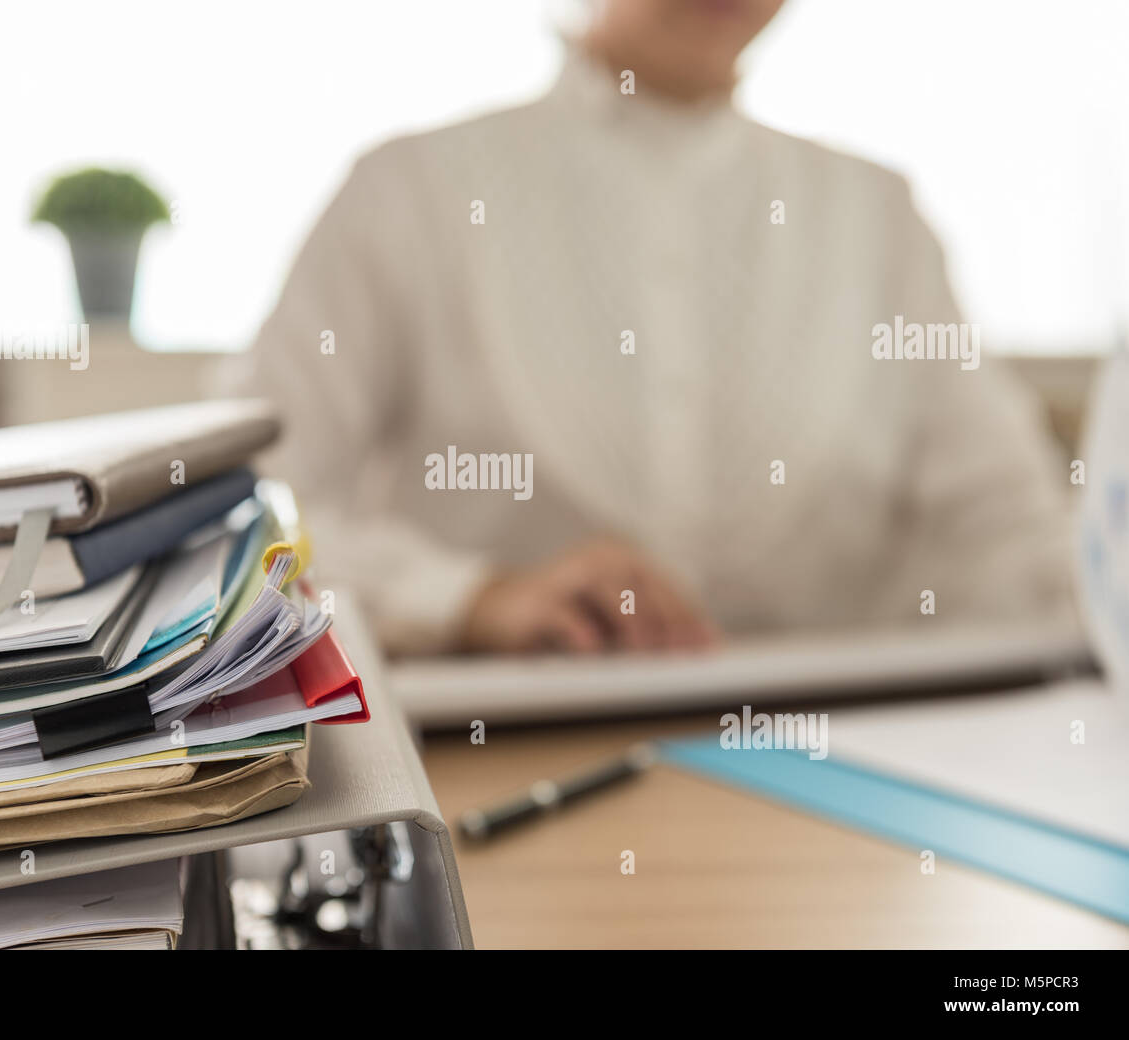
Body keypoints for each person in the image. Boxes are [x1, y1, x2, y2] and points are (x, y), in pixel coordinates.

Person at [218, 0, 1073, 656]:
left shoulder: (879, 218)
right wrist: (468, 597)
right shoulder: (408, 191)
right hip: (490, 781)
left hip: (850, 797)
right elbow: (238, 506)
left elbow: (1015, 536)